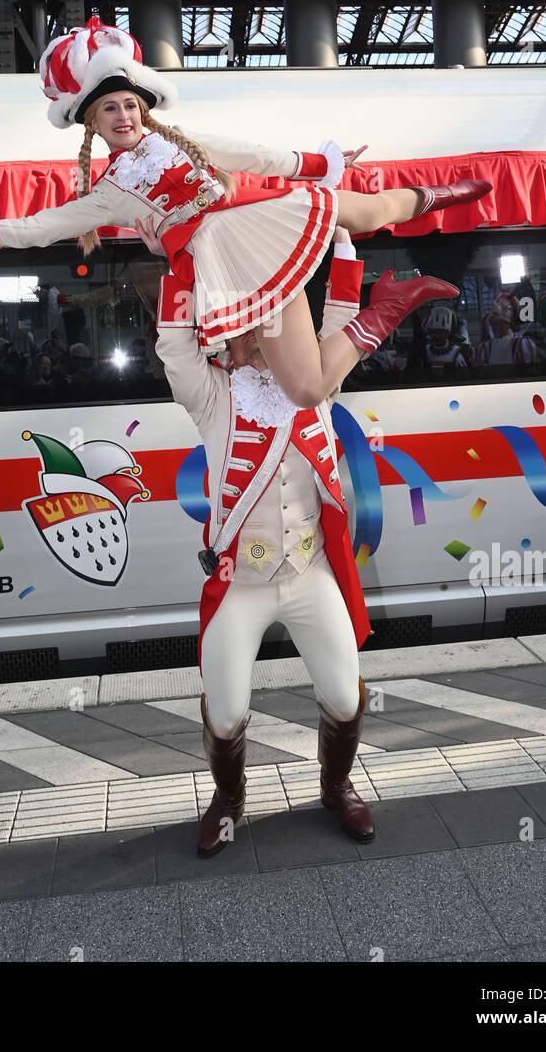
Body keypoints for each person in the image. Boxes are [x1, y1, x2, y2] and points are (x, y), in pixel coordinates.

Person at [0, 16, 491, 411]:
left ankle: (446, 193)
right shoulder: (110, 192)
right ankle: (382, 310)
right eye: (108, 110)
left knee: (366, 212)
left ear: (142, 108)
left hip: (266, 215)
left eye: (128, 104)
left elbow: (252, 153)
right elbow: (34, 228)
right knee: (307, 389)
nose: (122, 116)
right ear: (89, 124)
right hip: (239, 272)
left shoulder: (179, 141)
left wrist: (314, 160)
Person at [146, 217, 459, 857]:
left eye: (266, 336)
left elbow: (342, 314)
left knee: (345, 698)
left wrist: (342, 237)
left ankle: (335, 787)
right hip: (244, 583)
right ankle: (229, 799)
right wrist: (181, 256)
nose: (259, 348)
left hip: (311, 573)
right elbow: (173, 344)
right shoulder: (210, 397)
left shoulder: (311, 384)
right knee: (227, 711)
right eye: (245, 337)